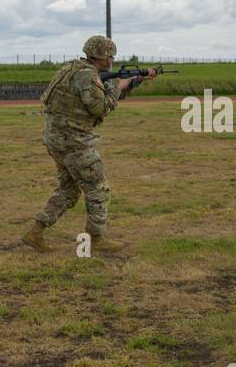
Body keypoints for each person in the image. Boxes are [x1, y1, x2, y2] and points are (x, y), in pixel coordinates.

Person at [20, 35, 155, 254]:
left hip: (57, 138)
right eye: (110, 56)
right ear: (104, 56)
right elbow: (100, 108)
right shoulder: (87, 76)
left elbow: (95, 97)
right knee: (98, 188)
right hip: (73, 141)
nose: (111, 60)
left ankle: (35, 232)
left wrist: (132, 83)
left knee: (69, 190)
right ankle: (96, 239)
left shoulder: (71, 69)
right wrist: (119, 87)